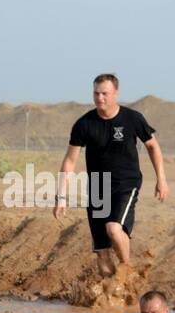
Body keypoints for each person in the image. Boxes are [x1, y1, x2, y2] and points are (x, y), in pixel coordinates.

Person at [54, 73, 169, 280]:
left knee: (114, 228)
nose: (100, 98)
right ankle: (111, 295)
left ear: (115, 93)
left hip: (126, 183)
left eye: (105, 93)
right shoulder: (84, 124)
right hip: (98, 187)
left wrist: (161, 179)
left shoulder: (133, 119)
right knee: (102, 251)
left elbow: (152, 146)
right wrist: (61, 196)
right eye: (96, 93)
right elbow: (70, 161)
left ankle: (127, 270)